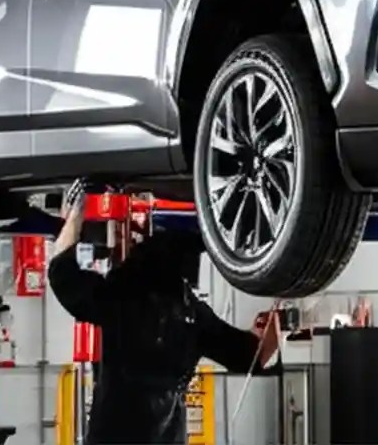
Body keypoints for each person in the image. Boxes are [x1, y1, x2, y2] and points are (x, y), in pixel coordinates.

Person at [48, 187, 281, 445]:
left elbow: (62, 275)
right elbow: (251, 357)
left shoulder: (121, 300)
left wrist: (74, 215)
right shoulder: (192, 315)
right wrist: (282, 314)